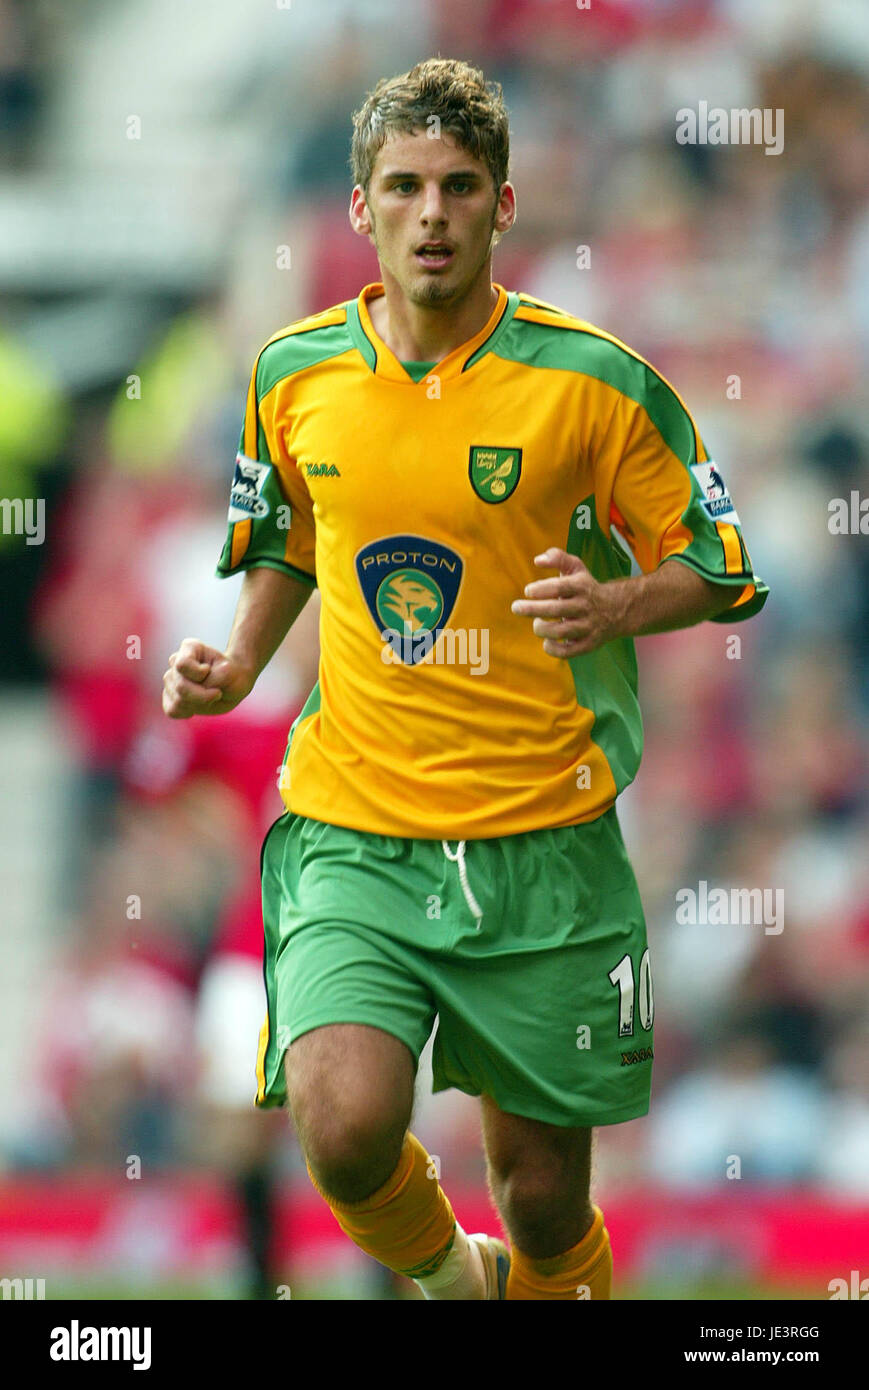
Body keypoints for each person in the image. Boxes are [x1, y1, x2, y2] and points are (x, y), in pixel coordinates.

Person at [162, 57, 768, 1301]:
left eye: (456, 186)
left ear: (501, 206)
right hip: (357, 822)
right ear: (358, 209)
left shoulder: (593, 382)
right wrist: (238, 662)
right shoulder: (292, 373)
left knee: (544, 1199)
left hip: (541, 838)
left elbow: (715, 564)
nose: (428, 212)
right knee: (338, 1122)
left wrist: (613, 601)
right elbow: (288, 533)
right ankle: (451, 1280)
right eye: (402, 187)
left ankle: (527, 1277)